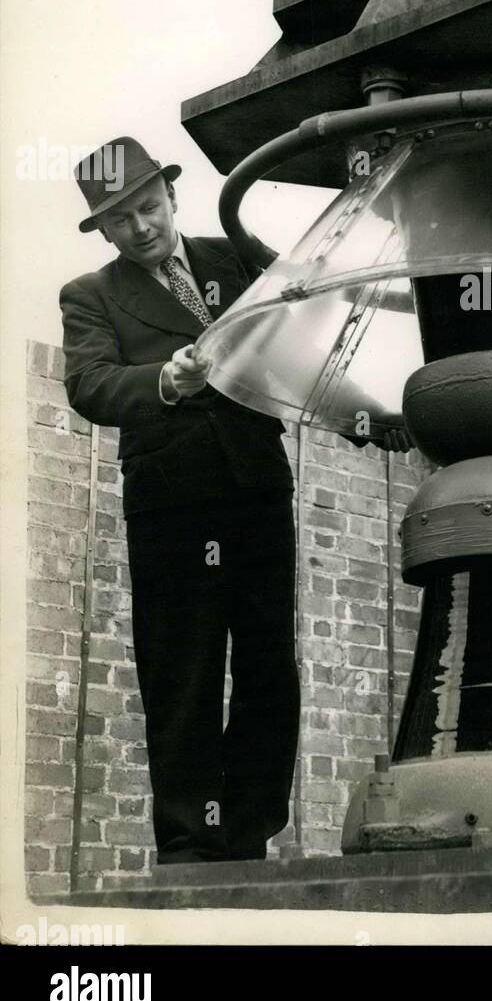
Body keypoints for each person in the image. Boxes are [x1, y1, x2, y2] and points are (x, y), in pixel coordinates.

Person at [60, 136, 407, 864]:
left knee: (266, 666)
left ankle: (248, 836)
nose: (143, 227)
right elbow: (90, 386)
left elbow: (293, 352)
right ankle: (188, 847)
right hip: (170, 507)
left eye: (149, 206)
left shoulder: (235, 259)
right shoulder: (90, 296)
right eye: (122, 220)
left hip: (254, 495)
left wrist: (369, 419)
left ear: (171, 196)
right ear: (105, 230)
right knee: (180, 671)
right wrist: (164, 380)